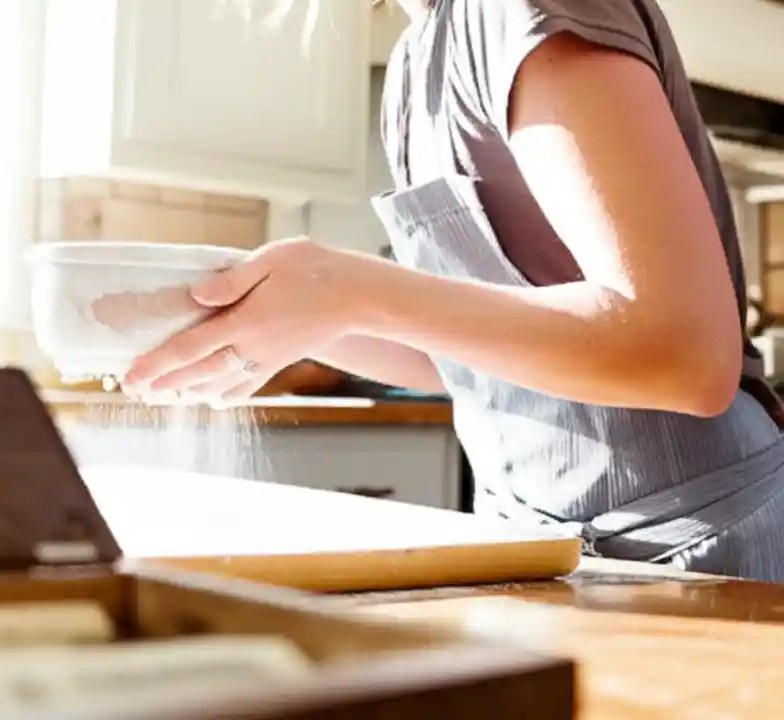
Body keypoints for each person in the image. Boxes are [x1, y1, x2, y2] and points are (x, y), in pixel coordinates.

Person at [121, 0, 784, 582]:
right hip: (545, 545)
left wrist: (350, 288)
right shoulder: (417, 59)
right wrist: (276, 312)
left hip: (701, 545)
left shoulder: (524, 8)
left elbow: (687, 356)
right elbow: (470, 363)